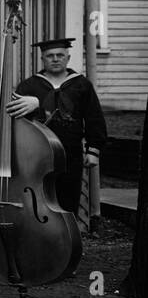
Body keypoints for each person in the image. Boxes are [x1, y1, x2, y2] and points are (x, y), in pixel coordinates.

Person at [6, 37, 107, 217]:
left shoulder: (81, 84)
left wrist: (93, 150)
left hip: (71, 153)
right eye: (49, 55)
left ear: (67, 58)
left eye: (60, 55)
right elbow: (15, 120)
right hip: (36, 154)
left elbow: (94, 118)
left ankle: (67, 239)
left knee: (68, 200)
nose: (55, 59)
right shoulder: (29, 85)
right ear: (42, 59)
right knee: (39, 198)